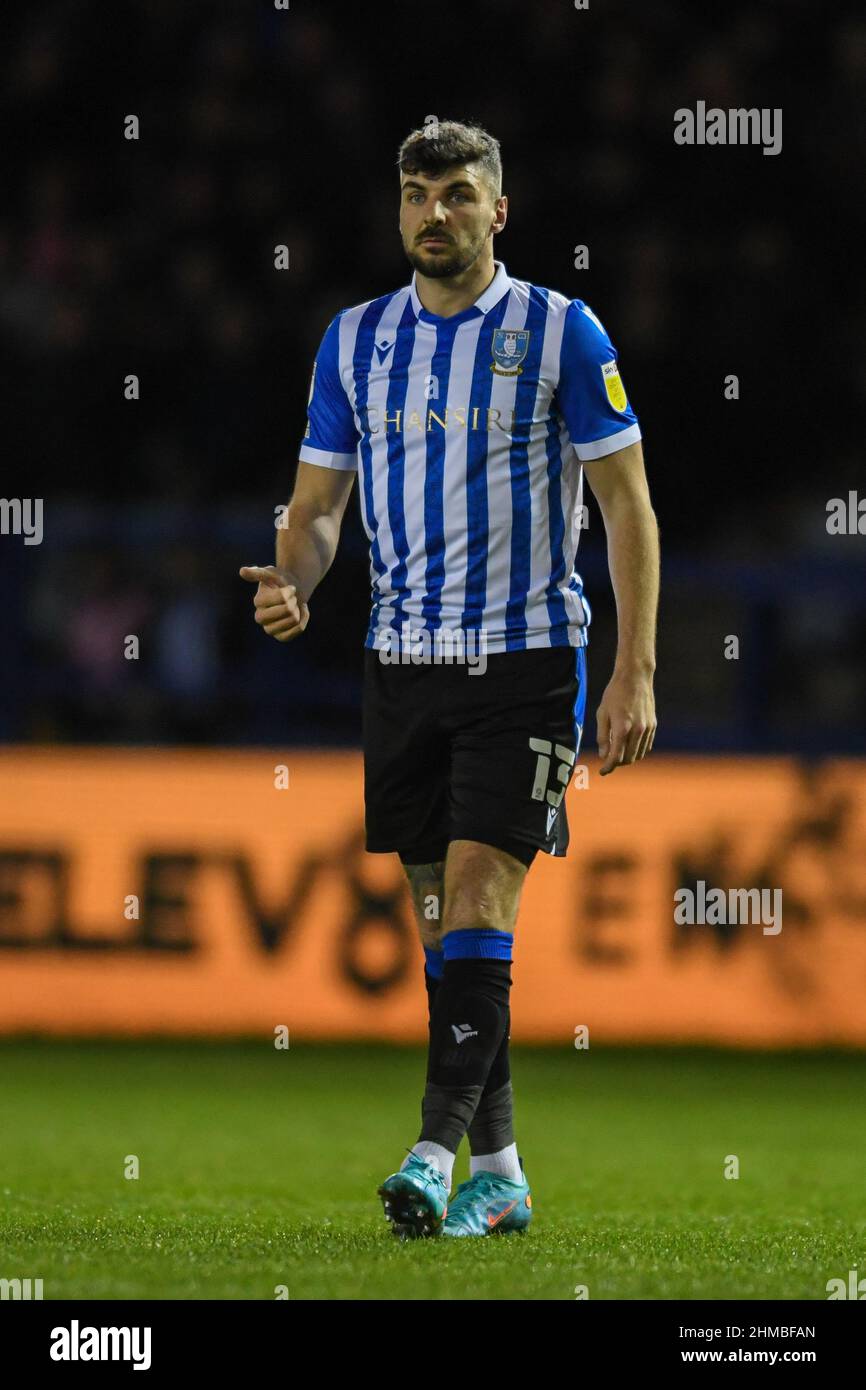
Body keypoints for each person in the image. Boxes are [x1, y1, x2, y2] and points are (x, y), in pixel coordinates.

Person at [240, 120, 659, 1239]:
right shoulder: (353, 342)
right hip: (402, 667)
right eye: (419, 195)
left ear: (498, 212)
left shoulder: (560, 332)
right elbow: (318, 512)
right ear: (398, 213)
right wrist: (293, 581)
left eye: (460, 194)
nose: (437, 213)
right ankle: (504, 1172)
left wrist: (634, 668)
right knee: (446, 941)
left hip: (525, 661)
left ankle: (429, 1156)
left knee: (477, 900)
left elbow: (625, 507)